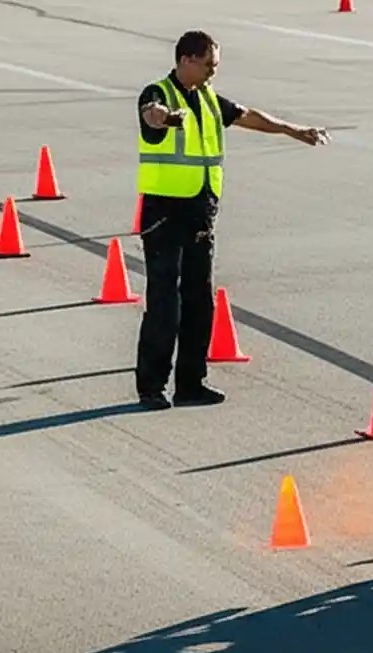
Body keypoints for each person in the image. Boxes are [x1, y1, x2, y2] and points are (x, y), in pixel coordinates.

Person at [134, 29, 330, 410]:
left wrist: (293, 130)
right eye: (208, 65)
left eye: (215, 66)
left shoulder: (207, 99)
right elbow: (151, 115)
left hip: (200, 213)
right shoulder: (158, 93)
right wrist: (165, 119)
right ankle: (151, 387)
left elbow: (247, 116)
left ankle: (190, 383)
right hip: (164, 215)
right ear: (187, 59)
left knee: (199, 301)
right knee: (164, 303)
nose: (213, 73)